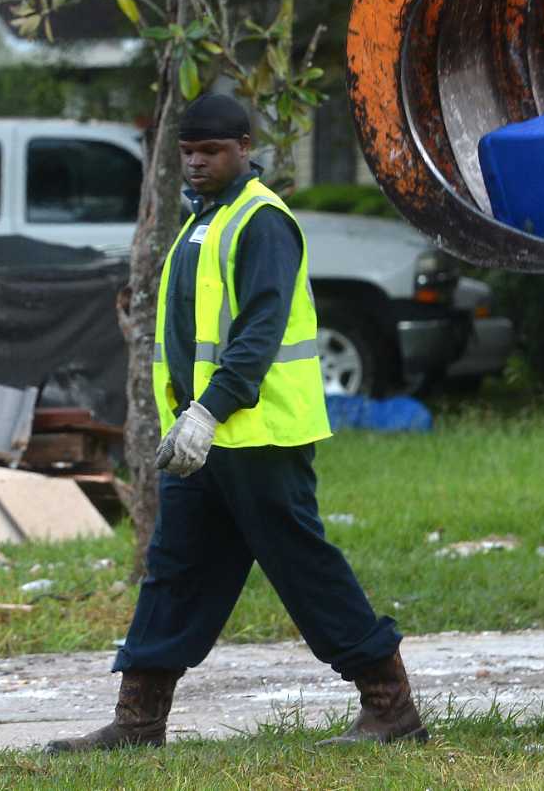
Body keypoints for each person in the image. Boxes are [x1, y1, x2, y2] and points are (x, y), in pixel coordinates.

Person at [47, 92, 426, 753]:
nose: (195, 163)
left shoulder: (261, 221)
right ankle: (138, 721)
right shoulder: (202, 222)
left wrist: (209, 411)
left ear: (245, 149)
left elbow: (257, 331)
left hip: (258, 438)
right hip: (202, 443)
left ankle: (390, 705)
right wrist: (189, 418)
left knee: (304, 568)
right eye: (187, 152)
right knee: (174, 570)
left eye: (211, 151)